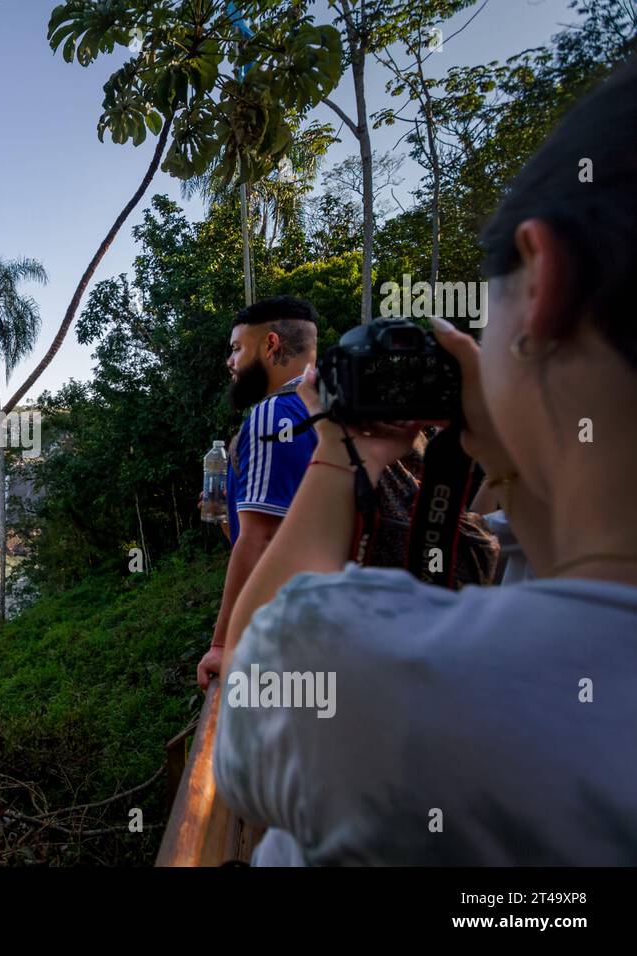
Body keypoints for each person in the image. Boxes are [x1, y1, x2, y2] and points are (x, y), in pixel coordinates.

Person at [213, 56, 637, 865]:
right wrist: (505, 450)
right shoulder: (519, 565)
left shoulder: (373, 664)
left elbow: (256, 666)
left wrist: (342, 450)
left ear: (545, 277)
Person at [196, 296, 319, 688]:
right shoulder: (327, 405)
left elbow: (262, 537)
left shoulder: (275, 414)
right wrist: (230, 522)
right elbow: (291, 531)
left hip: (290, 637)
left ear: (270, 345)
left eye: (236, 348)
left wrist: (221, 645)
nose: (230, 362)